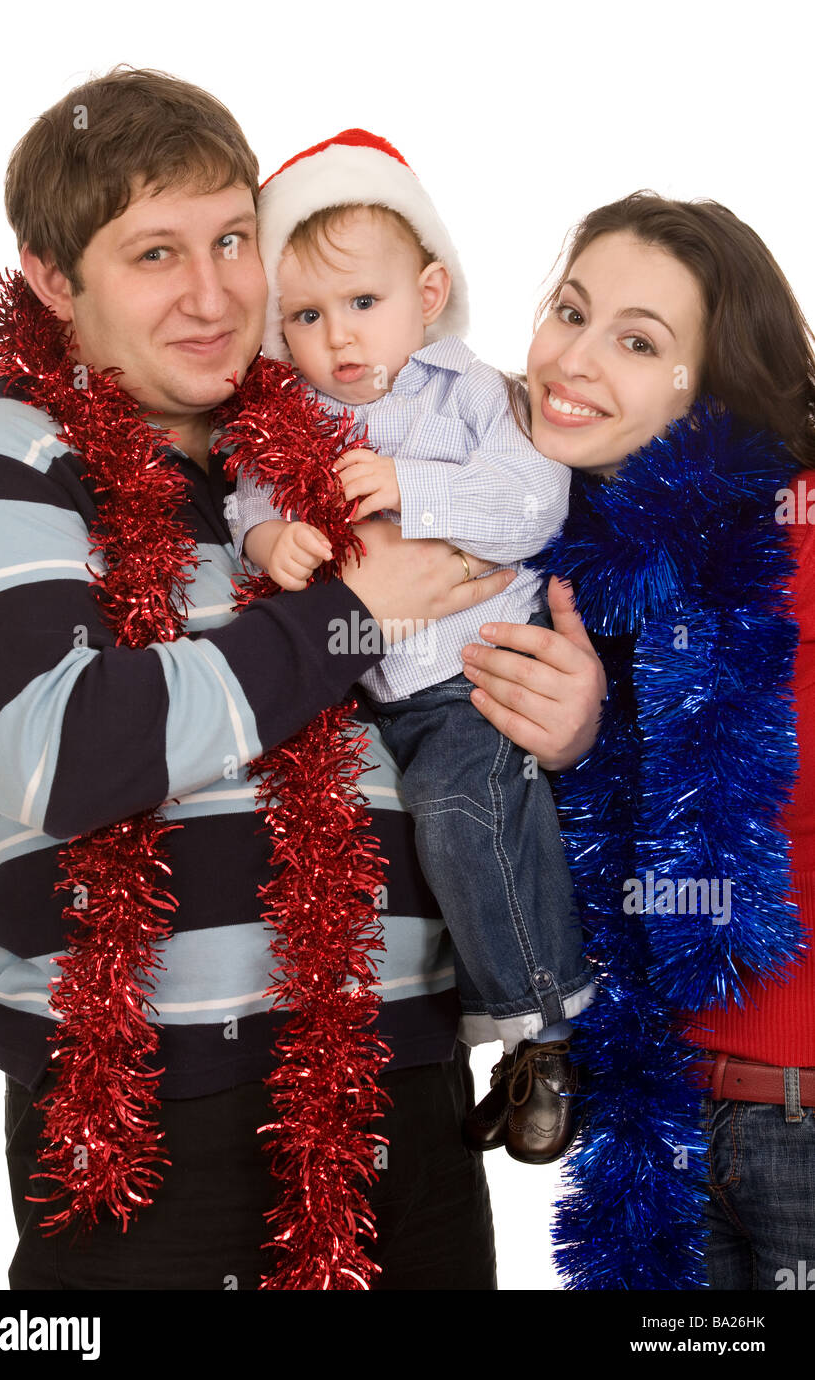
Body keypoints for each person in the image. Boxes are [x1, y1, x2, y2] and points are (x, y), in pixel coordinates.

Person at [0, 67, 604, 1291]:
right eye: (155, 254)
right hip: (142, 1121)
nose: (213, 296)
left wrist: (559, 721)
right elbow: (51, 750)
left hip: (406, 1090)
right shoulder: (11, 453)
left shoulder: (351, 422)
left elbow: (450, 711)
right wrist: (349, 616)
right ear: (51, 278)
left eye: (230, 241)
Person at [463, 192, 815, 1290]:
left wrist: (608, 732)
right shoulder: (544, 554)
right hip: (654, 1122)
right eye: (570, 313)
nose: (573, 360)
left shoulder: (789, 535)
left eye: (638, 342)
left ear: (707, 388)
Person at [223, 128, 595, 1165]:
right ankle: (495, 1040)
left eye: (362, 302)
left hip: (479, 674)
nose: (337, 337)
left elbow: (533, 501)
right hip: (372, 691)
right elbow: (248, 495)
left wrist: (410, 488)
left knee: (464, 818)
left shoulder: (467, 389)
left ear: (428, 293)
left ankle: (546, 1033)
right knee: (404, 865)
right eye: (305, 316)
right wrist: (269, 539)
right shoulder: (291, 416)